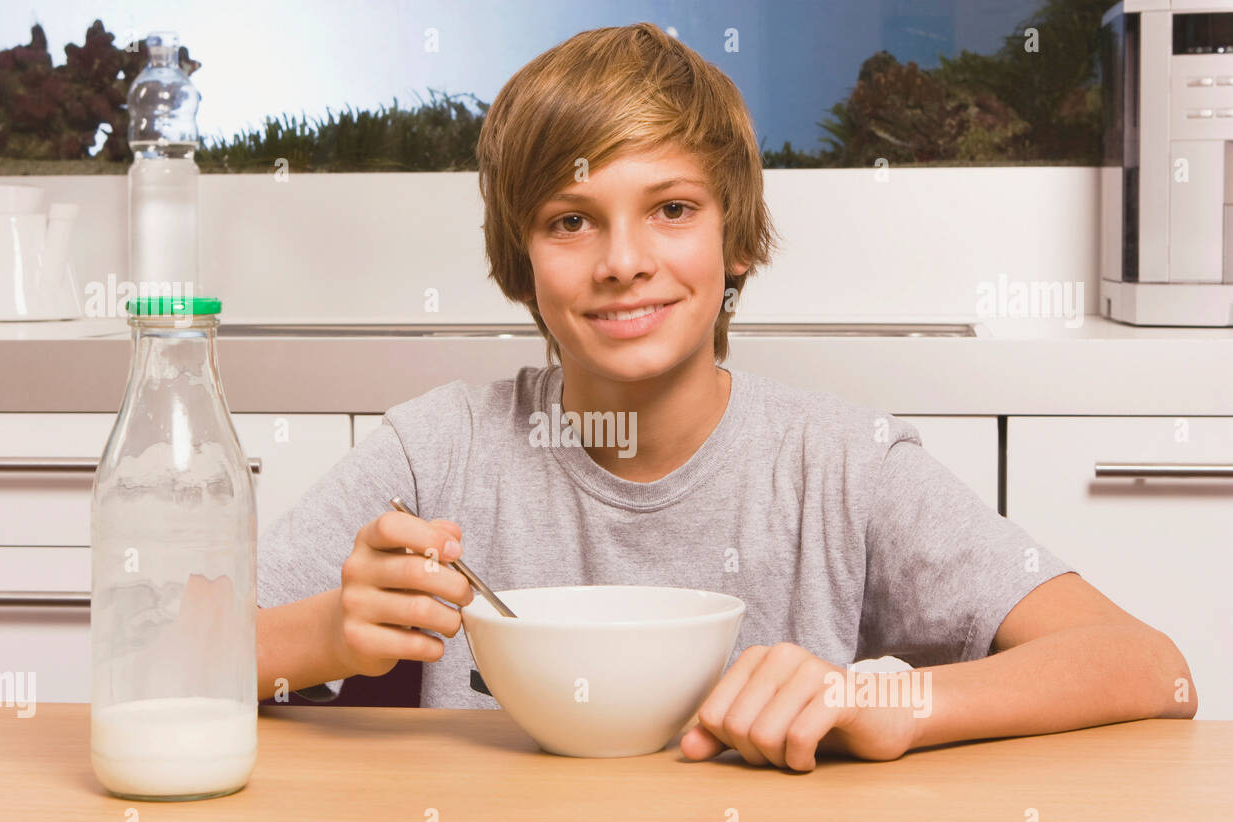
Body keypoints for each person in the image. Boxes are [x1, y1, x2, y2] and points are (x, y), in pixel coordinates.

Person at [256, 22, 1195, 772]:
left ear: (735, 239)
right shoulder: (436, 451)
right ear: (519, 264)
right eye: (571, 221)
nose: (625, 263)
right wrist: (325, 636)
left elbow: (1150, 667)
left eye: (672, 210)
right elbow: (163, 652)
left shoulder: (840, 466)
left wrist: (886, 702)